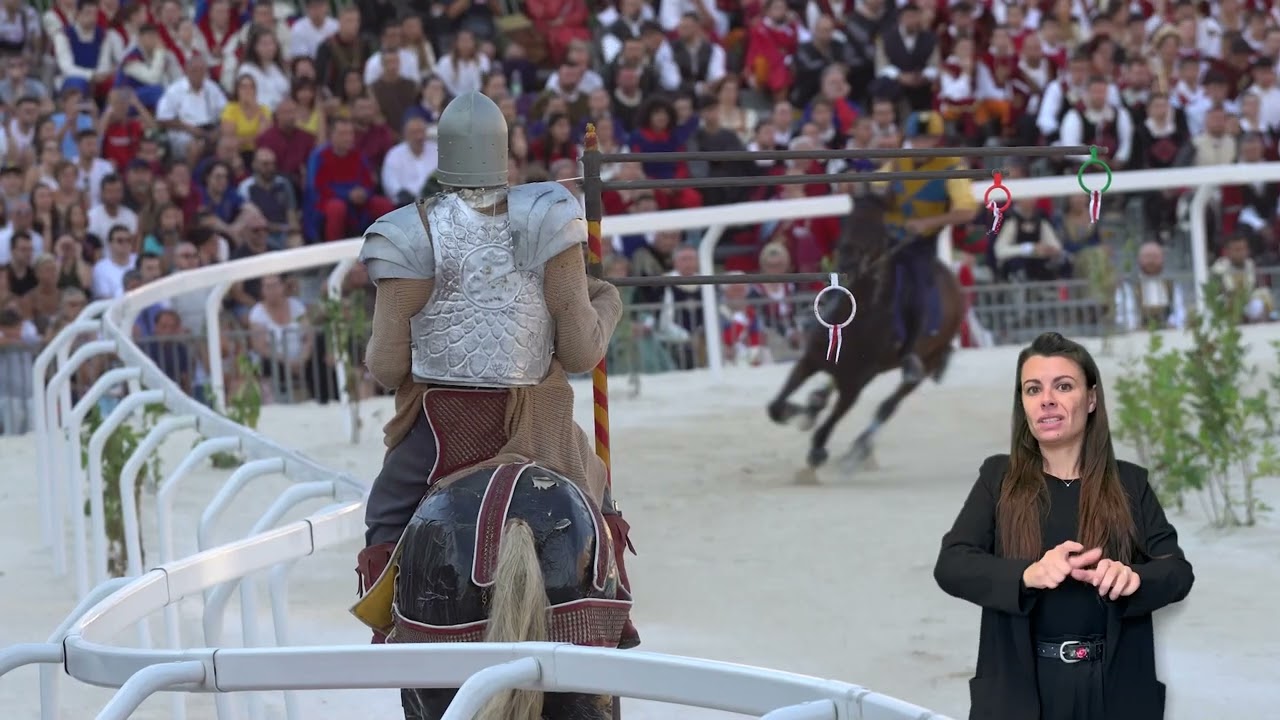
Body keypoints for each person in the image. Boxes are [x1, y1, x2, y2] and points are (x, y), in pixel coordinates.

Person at [351, 91, 639, 648]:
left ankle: (390, 626)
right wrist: (607, 303)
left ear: (443, 154)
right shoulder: (550, 218)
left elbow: (387, 367)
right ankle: (613, 622)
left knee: (387, 511)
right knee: (598, 507)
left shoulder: (406, 233)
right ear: (503, 152)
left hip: (441, 433)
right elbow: (581, 353)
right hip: (541, 427)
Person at [934, 332, 1194, 720]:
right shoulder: (997, 478)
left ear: (1091, 399)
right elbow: (952, 565)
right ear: (1022, 404)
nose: (1047, 400)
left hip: (1115, 693)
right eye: (1033, 389)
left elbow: (1177, 571)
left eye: (1064, 386)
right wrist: (1028, 574)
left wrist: (1134, 578)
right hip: (1021, 694)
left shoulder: (1130, 483)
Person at [874, 111, 977, 383]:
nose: (921, 144)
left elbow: (966, 211)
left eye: (927, 138)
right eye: (917, 138)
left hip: (920, 244)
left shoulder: (953, 168)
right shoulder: (897, 164)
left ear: (936, 140)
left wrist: (929, 222)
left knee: (916, 284)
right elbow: (874, 186)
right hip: (887, 239)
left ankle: (922, 349)